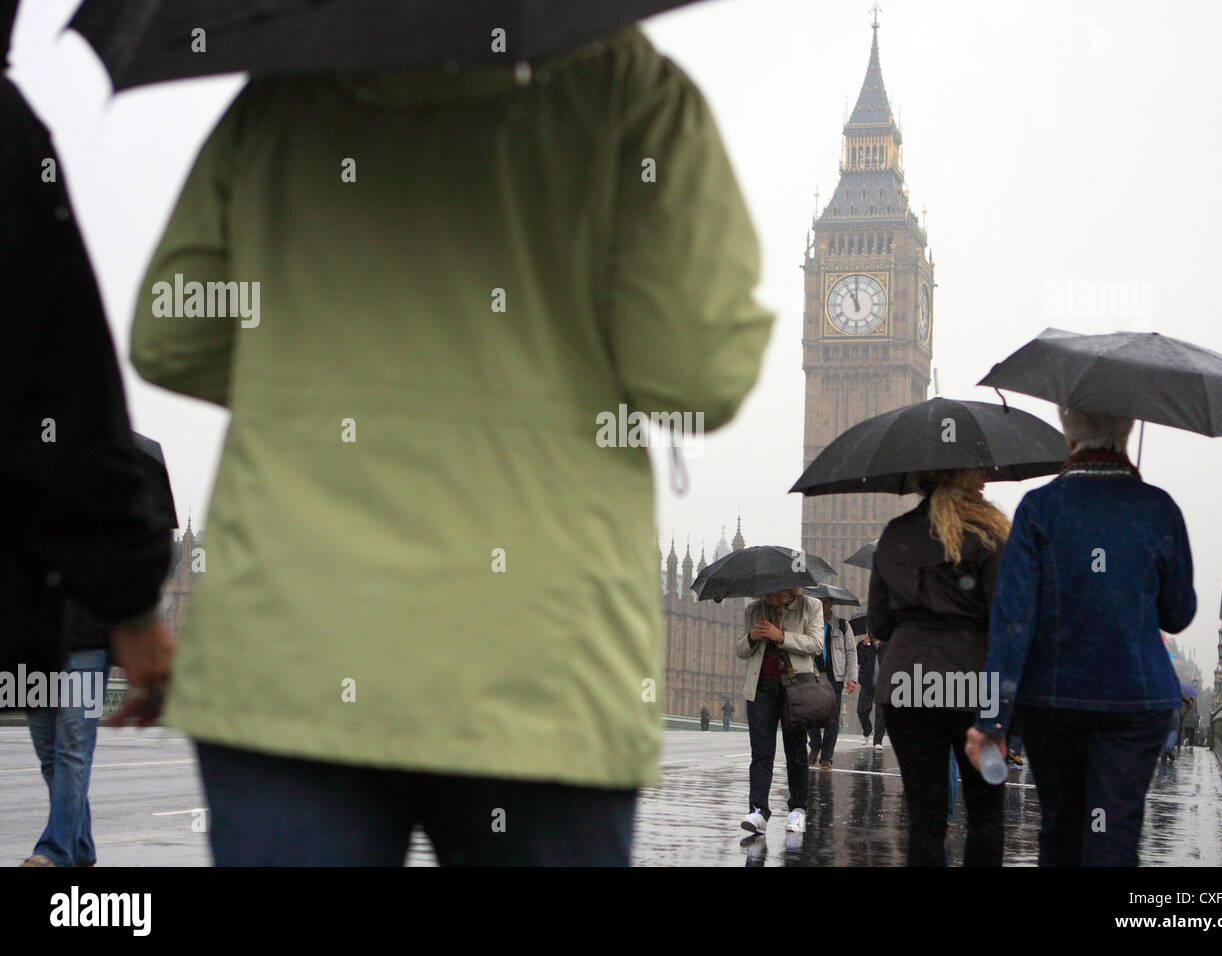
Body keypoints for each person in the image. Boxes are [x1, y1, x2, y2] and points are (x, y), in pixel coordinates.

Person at [128, 28, 773, 865]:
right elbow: (699, 376)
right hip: (543, 665)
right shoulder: (635, 91)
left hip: (289, 654)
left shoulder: (283, 93)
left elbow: (169, 335)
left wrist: (314, 382)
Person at [1, 3, 174, 866]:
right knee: (49, 742)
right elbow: (61, 371)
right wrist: (139, 605)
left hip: (76, 634)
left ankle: (61, 851)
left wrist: (127, 605)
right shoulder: (12, 145)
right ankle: (74, 848)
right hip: (48, 621)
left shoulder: (143, 464)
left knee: (69, 741)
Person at [967, 408, 1196, 867]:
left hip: (1055, 702)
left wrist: (992, 722)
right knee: (1114, 839)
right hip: (1136, 701)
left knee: (1061, 833)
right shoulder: (1160, 509)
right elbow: (1178, 613)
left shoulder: (1038, 509)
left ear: (1069, 436)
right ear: (1128, 431)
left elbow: (1013, 625)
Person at [868, 468, 1008, 867]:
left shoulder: (894, 534)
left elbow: (879, 624)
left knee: (925, 819)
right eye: (977, 473)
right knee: (984, 812)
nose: (984, 480)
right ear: (961, 477)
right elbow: (1006, 617)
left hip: (907, 683)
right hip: (970, 683)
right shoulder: (990, 533)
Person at [735, 588, 823, 836]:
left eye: (777, 596)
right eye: (768, 595)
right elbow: (741, 650)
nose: (772, 600)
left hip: (795, 688)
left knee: (795, 751)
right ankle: (758, 811)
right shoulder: (754, 609)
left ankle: (797, 810)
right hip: (761, 688)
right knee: (761, 753)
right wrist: (753, 636)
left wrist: (780, 635)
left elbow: (816, 644)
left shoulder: (811, 606)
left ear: (792, 590)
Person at [808, 596, 857, 769]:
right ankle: (815, 745)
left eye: (825, 602)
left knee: (832, 719)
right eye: (819, 601)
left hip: (835, 677)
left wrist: (852, 678)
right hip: (812, 674)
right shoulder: (808, 623)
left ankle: (826, 757)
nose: (822, 605)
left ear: (830, 604)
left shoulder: (843, 625)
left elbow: (851, 652)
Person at [855, 634, 887, 750]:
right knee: (862, 710)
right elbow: (857, 660)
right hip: (867, 683)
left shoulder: (887, 645)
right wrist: (863, 646)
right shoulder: (863, 644)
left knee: (881, 714)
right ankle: (867, 729)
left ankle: (878, 741)